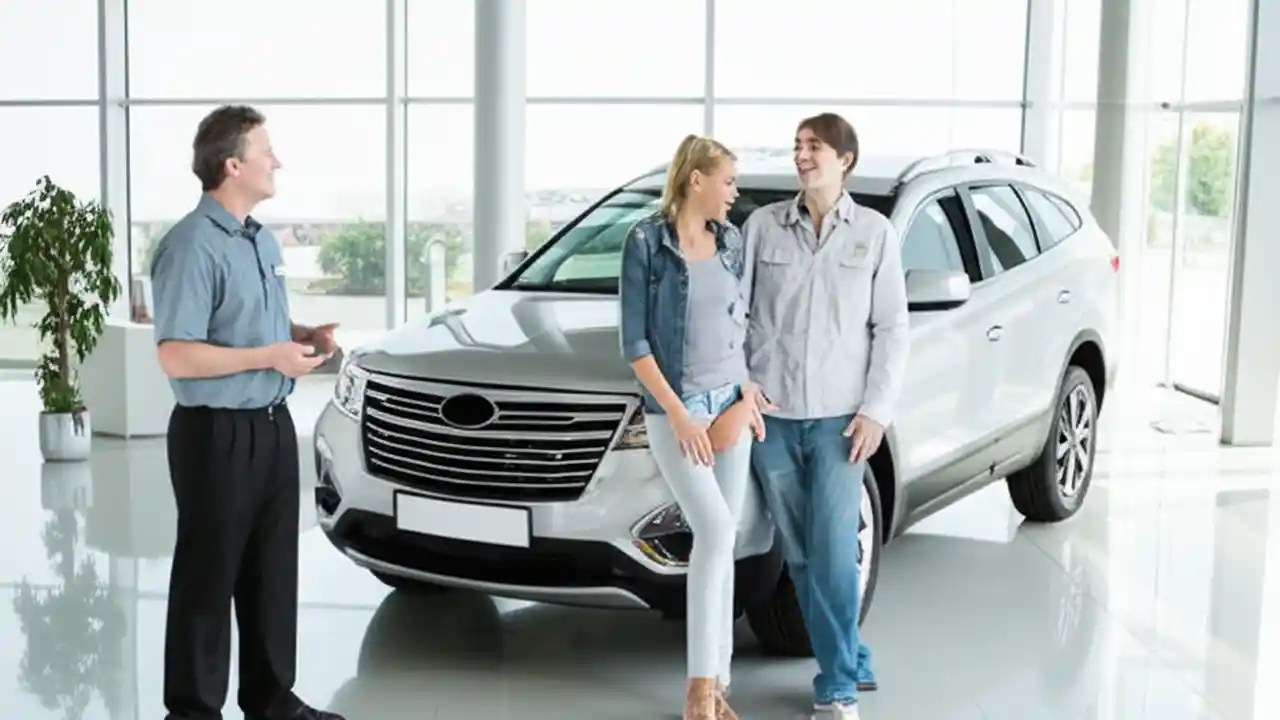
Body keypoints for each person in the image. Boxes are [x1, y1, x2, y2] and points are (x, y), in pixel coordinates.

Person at [150, 105, 345, 720]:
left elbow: (242, 324)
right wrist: (271, 355)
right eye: (267, 150)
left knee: (270, 570)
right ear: (233, 165)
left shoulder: (259, 238)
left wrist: (300, 334)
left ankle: (270, 700)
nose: (277, 160)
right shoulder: (189, 246)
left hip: (272, 426)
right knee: (209, 578)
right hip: (215, 434)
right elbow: (177, 355)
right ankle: (193, 710)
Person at [743, 113, 910, 720]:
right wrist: (743, 387)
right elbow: (735, 313)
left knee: (836, 550)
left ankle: (837, 687)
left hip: (844, 424)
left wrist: (876, 412)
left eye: (814, 146)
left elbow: (892, 328)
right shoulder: (762, 227)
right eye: (797, 146)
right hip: (774, 421)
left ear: (846, 159)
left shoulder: (875, 233)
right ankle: (852, 655)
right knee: (801, 554)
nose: (802, 155)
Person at [619, 134, 770, 720]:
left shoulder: (731, 242)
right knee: (711, 533)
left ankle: (719, 684)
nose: (734, 194)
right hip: (677, 415)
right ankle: (698, 692)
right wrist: (680, 416)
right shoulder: (645, 244)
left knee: (723, 542)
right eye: (728, 181)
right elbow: (635, 345)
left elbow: (744, 329)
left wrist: (745, 397)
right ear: (696, 180)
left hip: (731, 404)